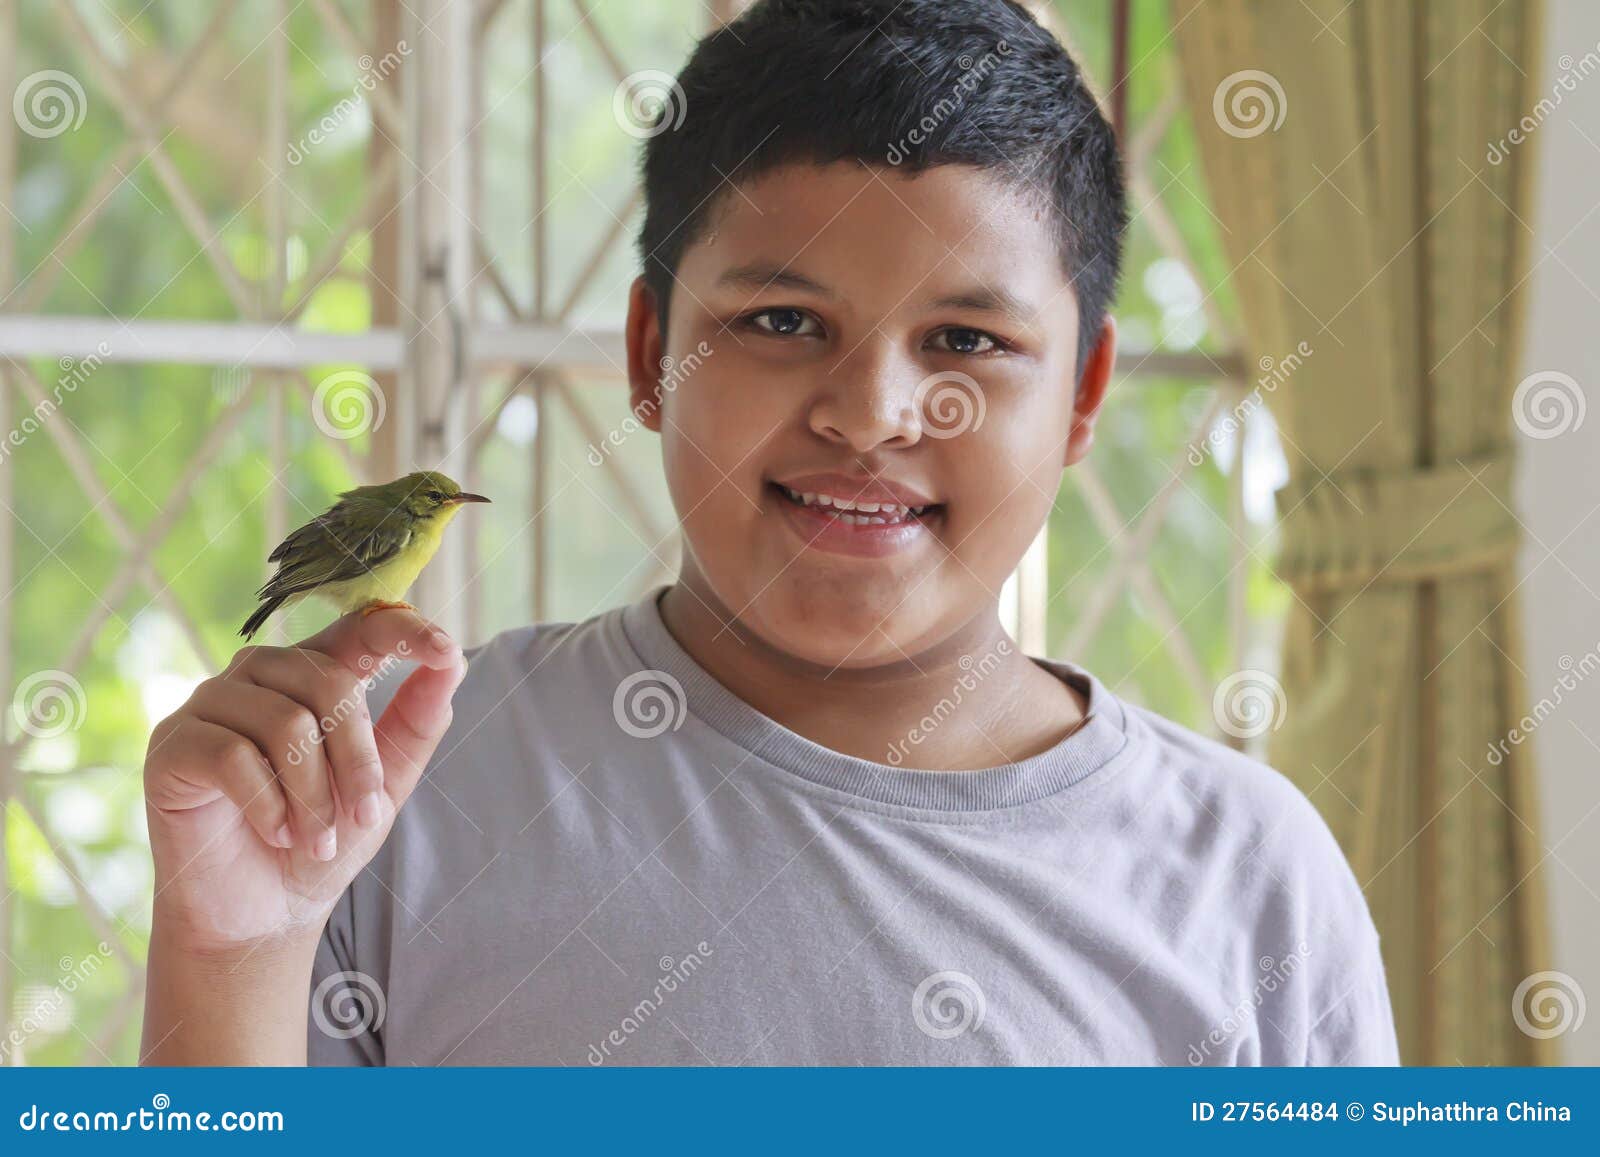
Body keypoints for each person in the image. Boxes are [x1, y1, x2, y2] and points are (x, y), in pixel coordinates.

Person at [141, 0, 1399, 1065]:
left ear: (1080, 393)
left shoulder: (1249, 876)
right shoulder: (393, 787)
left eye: (966, 339)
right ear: (650, 354)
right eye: (783, 321)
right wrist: (230, 956)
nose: (869, 415)